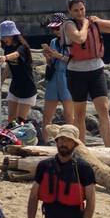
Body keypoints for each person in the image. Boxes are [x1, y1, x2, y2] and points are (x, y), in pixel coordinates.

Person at [62, 0, 110, 147]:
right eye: (76, 10)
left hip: (96, 69)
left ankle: (109, 148)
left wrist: (98, 21)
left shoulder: (92, 23)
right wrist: (85, 24)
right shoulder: (68, 25)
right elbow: (79, 39)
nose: (80, 12)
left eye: (82, 9)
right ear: (70, 11)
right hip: (76, 72)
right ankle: (81, 148)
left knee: (103, 109)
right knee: (80, 114)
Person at [0, 20, 36, 124]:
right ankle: (10, 139)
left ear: (12, 35)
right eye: (2, 36)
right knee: (11, 118)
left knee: (20, 120)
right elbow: (8, 66)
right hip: (15, 86)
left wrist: (5, 57)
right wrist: (0, 82)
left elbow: (16, 54)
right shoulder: (7, 47)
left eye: (5, 36)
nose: (3, 39)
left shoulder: (22, 47)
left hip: (27, 87)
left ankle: (21, 139)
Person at [39, 13, 73, 144]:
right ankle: (44, 142)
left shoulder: (71, 40)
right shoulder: (53, 42)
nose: (55, 31)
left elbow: (73, 61)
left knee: (69, 115)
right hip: (54, 78)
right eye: (53, 29)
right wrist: (48, 57)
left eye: (57, 28)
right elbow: (50, 64)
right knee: (47, 115)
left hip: (67, 77)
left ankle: (72, 141)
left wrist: (58, 56)